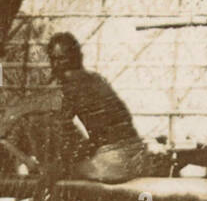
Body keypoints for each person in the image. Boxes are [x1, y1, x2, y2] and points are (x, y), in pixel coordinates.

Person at [47, 32, 147, 183]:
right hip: (137, 156)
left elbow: (62, 128)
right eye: (53, 59)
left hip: (114, 161)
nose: (56, 65)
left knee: (54, 175)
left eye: (61, 59)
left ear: (73, 58)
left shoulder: (69, 84)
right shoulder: (97, 79)